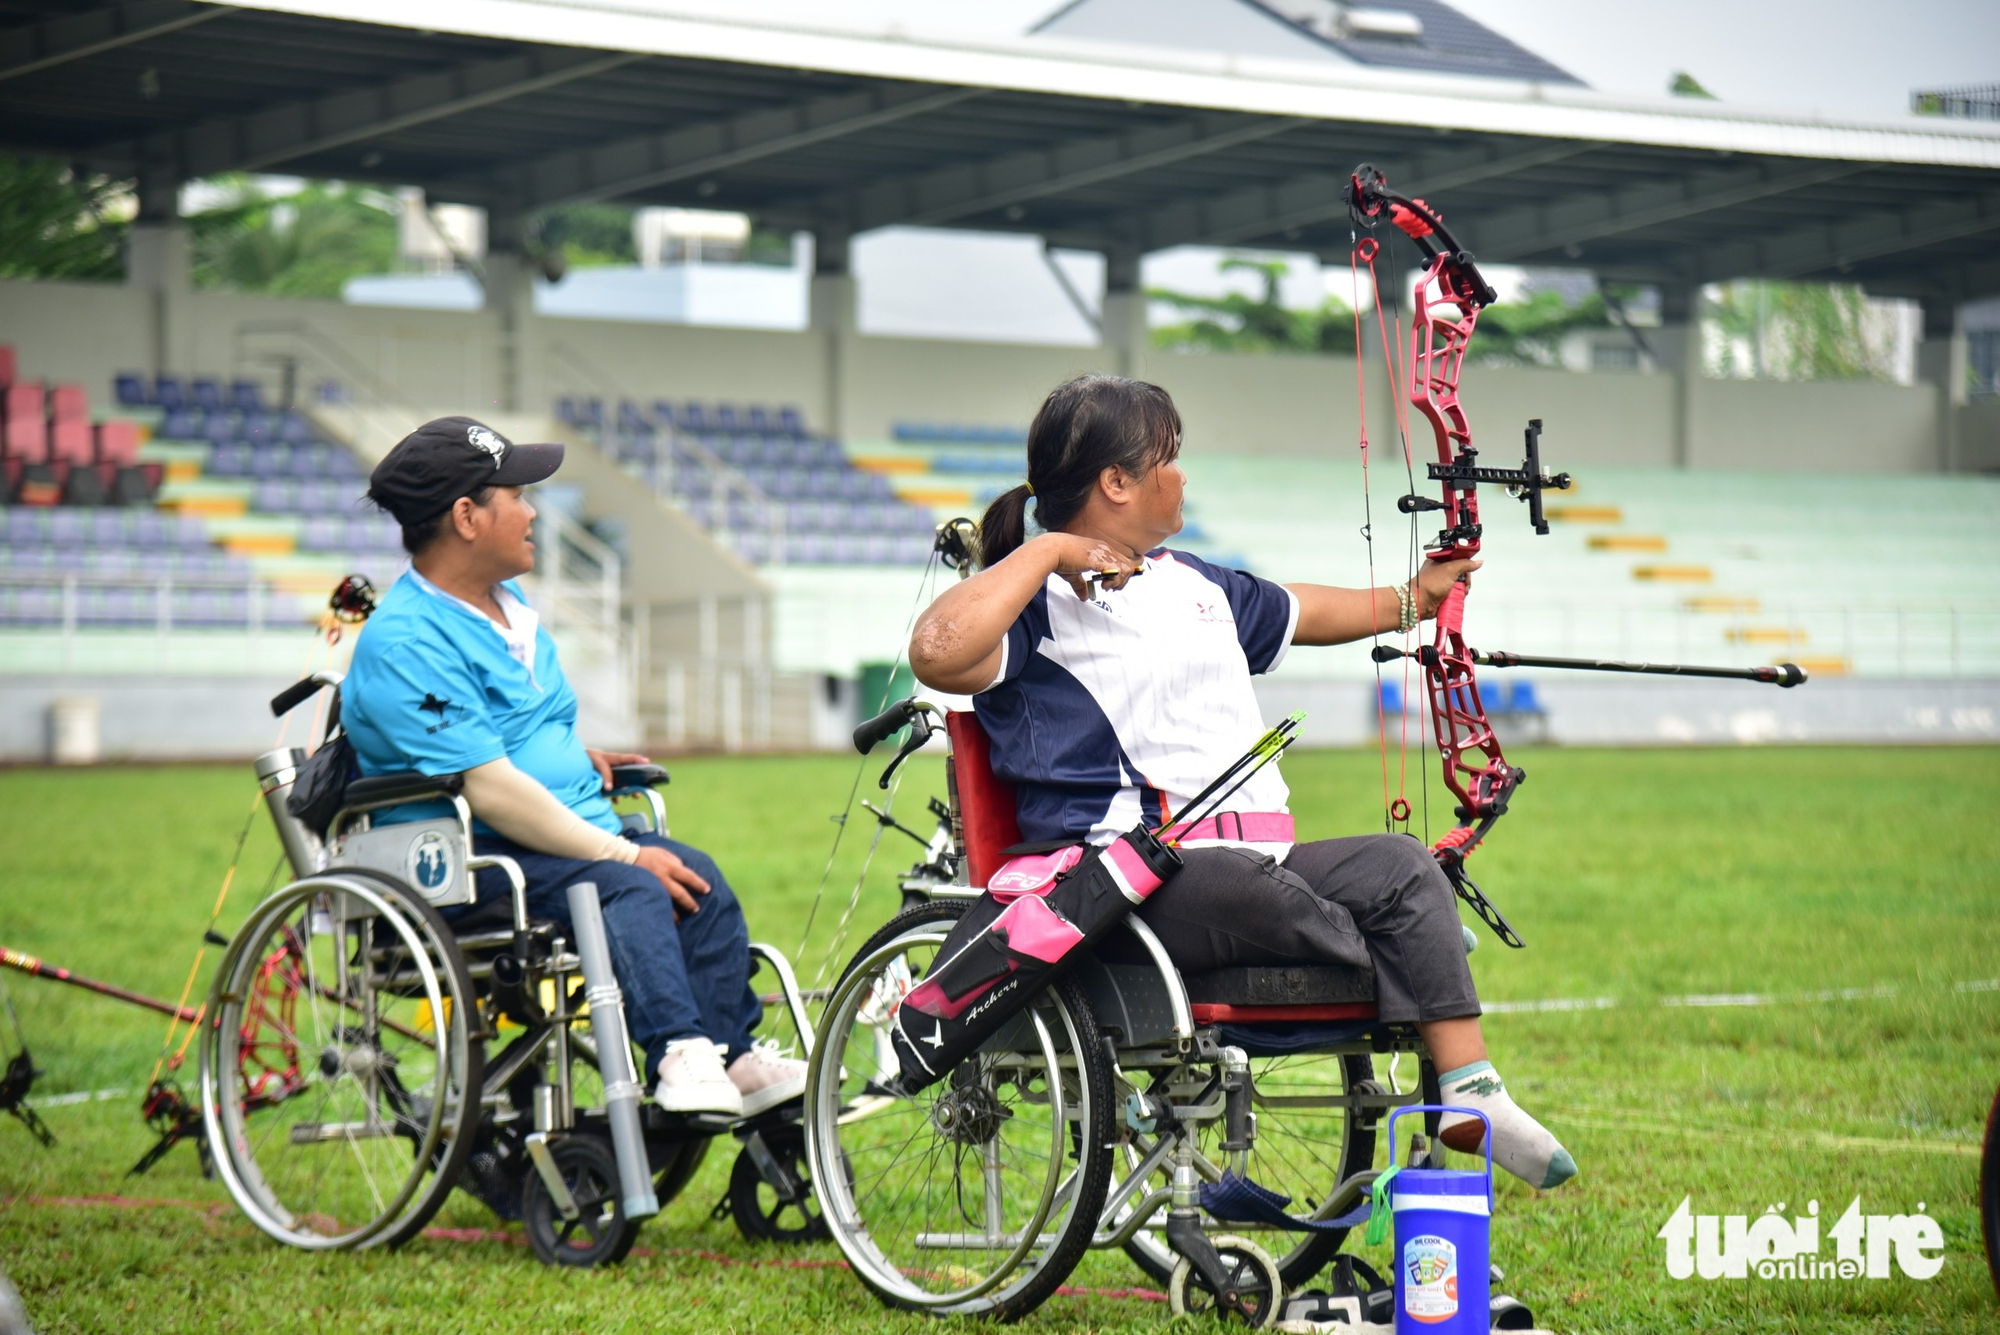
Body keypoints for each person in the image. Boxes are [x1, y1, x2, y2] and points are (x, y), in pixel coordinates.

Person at [907, 376, 1575, 1190]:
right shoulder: (1032, 604)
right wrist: (1046, 550)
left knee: (1405, 865)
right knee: (1246, 885)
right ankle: (1409, 943)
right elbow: (937, 651)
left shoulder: (1195, 583)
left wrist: (1414, 599)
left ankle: (1473, 1096)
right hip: (1130, 884)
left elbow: (1306, 610)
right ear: (1116, 482)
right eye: (1169, 458)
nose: (1183, 475)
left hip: (1265, 865)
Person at [342, 415, 804, 1118]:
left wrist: (571, 757)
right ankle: (681, 1050)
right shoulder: (407, 639)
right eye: (518, 495)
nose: (533, 512)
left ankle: (730, 1053)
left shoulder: (509, 606)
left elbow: (515, 730)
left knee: (696, 878)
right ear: (467, 516)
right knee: (634, 886)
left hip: (550, 841)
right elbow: (489, 788)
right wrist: (623, 849)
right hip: (470, 859)